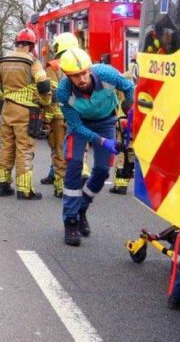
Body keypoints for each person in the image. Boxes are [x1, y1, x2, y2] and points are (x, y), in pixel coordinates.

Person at [56, 47, 134, 246]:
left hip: (106, 121)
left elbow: (129, 87)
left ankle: (82, 206)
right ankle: (71, 221)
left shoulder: (106, 73)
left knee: (102, 170)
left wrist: (132, 110)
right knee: (73, 165)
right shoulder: (63, 92)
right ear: (67, 76)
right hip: (80, 125)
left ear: (90, 69)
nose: (82, 79)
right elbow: (75, 126)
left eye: (84, 73)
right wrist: (102, 141)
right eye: (75, 76)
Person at [0, 28, 51, 200]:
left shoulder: (3, 60)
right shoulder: (32, 61)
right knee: (24, 149)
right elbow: (43, 82)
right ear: (31, 46)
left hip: (7, 109)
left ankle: (2, 185)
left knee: (6, 146)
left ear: (16, 43)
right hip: (26, 111)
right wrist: (45, 102)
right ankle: (24, 190)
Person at [39, 32, 78, 198]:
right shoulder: (81, 63)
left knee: (59, 149)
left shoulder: (54, 66)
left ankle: (61, 185)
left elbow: (50, 94)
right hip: (78, 115)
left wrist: (45, 118)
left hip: (59, 115)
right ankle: (71, 182)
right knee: (74, 150)